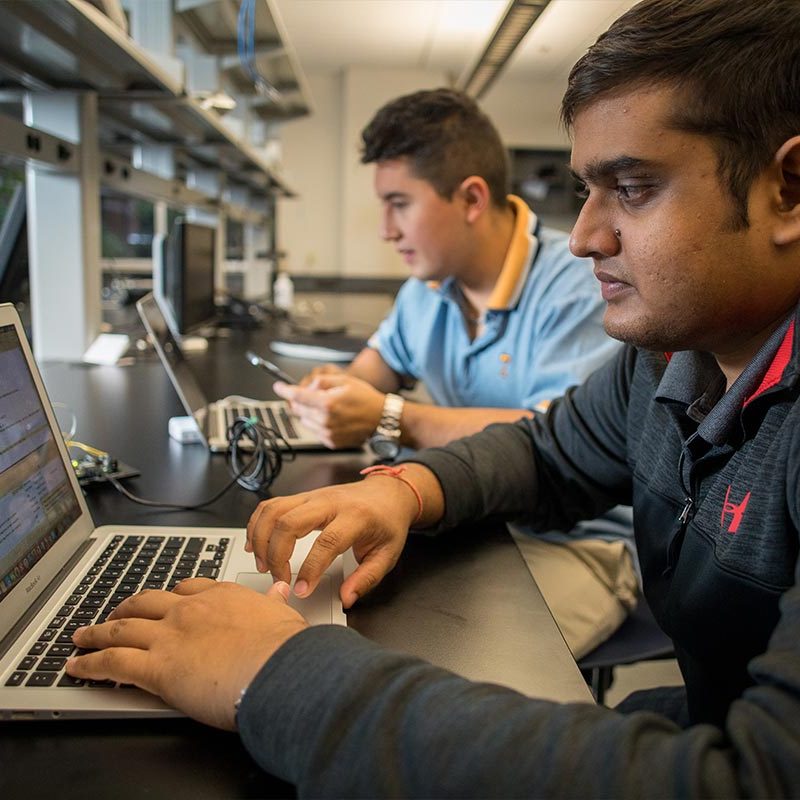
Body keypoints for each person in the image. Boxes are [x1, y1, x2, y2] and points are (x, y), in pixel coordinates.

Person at [66, 0, 800, 795]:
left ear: (787, 189)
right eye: (590, 190)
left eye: (631, 188)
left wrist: (275, 675)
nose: (586, 236)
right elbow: (547, 452)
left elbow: (753, 778)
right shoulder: (667, 360)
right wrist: (407, 491)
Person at [275, 88, 634, 658]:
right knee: (324, 617)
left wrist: (393, 417)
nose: (385, 231)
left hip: (574, 540)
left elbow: (553, 444)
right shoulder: (427, 291)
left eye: (399, 203)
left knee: (434, 667)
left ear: (470, 199)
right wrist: (329, 391)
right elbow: (369, 374)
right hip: (462, 519)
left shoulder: (581, 287)